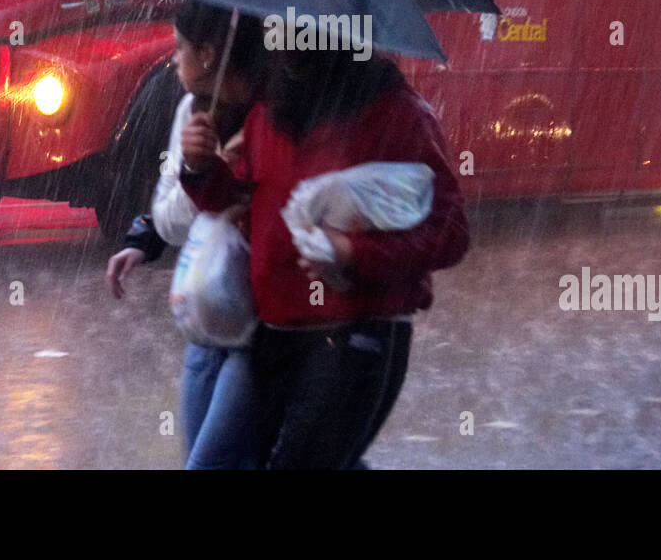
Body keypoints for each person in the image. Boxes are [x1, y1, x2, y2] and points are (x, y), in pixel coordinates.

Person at [180, 47, 469, 469]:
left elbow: (450, 233)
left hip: (354, 339)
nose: (282, 46)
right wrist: (199, 167)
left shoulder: (398, 115)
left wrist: (355, 253)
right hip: (272, 335)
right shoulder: (269, 111)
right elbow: (243, 203)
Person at [106, 1, 264, 470]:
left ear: (210, 54)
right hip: (209, 315)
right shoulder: (190, 112)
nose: (173, 59)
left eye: (180, 49)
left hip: (264, 326)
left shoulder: (275, 117)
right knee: (201, 452)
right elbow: (171, 214)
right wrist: (145, 238)